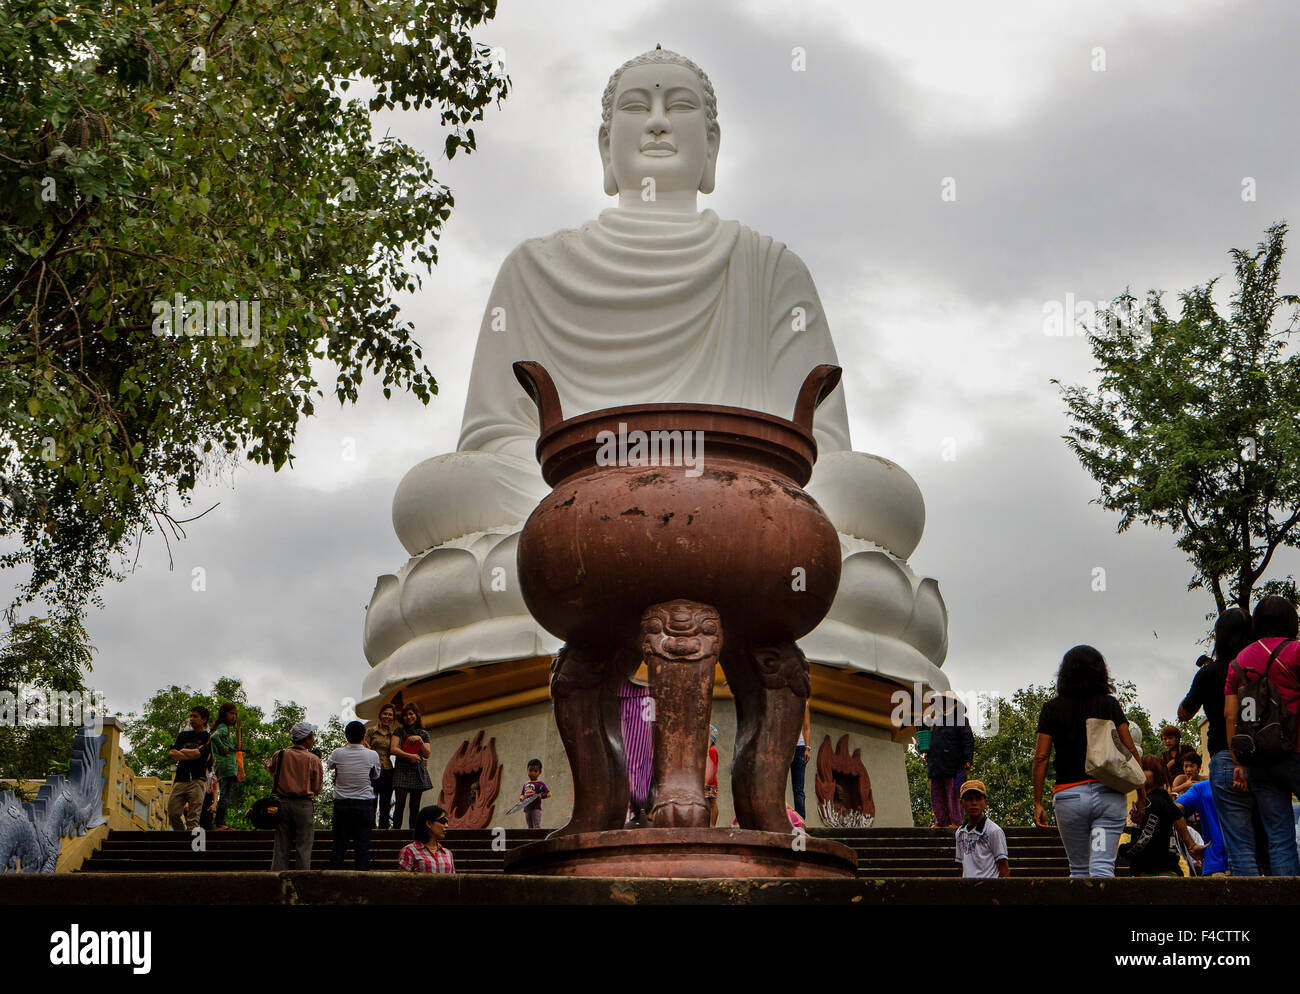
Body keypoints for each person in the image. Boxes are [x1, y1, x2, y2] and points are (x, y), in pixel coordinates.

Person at [1033, 645, 1145, 877]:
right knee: (1102, 867)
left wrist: (1038, 802)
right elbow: (1130, 749)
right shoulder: (1109, 705)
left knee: (1079, 869)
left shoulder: (1052, 708)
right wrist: (1142, 795)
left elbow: (1041, 756)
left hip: (1070, 798)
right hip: (1108, 796)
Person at [1181, 606, 1262, 875]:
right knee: (1273, 835)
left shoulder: (1210, 672)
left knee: (1238, 841)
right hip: (1264, 756)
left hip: (1226, 757)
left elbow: (1183, 714)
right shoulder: (1258, 669)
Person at [1225, 595, 1300, 876]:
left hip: (1258, 759)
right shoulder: (1296, 651)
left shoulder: (1239, 661)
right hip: (1296, 749)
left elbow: (1231, 716)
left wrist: (1238, 762)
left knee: (1279, 839)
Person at [1120, 755, 1204, 877]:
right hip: (1169, 869)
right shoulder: (1164, 799)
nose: (1139, 773)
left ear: (1157, 774)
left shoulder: (1153, 802)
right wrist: (1191, 845)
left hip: (1154, 871)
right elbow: (1178, 817)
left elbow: (1145, 837)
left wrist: (1124, 850)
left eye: (1145, 769)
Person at [267, 721, 324, 871]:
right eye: (311, 736)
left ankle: (277, 881)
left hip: (283, 803)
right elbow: (317, 788)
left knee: (281, 846)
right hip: (304, 805)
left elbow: (270, 768)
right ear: (306, 739)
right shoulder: (313, 759)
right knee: (303, 847)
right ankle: (302, 880)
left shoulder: (280, 754)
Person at [328, 719, 382, 870]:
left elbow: (330, 765)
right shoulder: (372, 755)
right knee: (362, 846)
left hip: (342, 803)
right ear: (364, 736)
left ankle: (334, 877)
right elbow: (376, 775)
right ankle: (363, 879)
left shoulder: (338, 753)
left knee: (339, 845)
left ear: (346, 736)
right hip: (364, 803)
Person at [926, 693, 974, 829]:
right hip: (936, 765)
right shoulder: (935, 722)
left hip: (954, 765)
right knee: (936, 795)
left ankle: (956, 821)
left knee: (954, 794)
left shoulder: (961, 720)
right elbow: (932, 742)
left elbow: (968, 740)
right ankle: (941, 821)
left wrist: (968, 759)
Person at [166, 706, 211, 831]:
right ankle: (181, 837)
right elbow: (172, 753)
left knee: (193, 818)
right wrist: (192, 754)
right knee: (173, 812)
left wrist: (183, 752)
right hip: (181, 778)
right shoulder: (183, 735)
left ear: (204, 719)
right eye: (191, 716)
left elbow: (201, 755)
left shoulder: (207, 737)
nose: (191, 719)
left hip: (198, 779)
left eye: (195, 716)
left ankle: (192, 846)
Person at [954, 780, 1009, 879]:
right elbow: (960, 865)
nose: (974, 803)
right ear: (961, 803)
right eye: (969, 799)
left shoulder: (994, 831)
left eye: (978, 799)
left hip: (989, 887)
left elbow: (1003, 865)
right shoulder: (960, 833)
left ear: (985, 802)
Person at [389, 703, 432, 830]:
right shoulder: (399, 731)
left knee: (415, 805)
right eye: (406, 715)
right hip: (402, 769)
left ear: (416, 715)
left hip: (417, 770)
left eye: (411, 714)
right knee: (400, 803)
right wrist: (409, 756)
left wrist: (419, 740)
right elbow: (393, 749)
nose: (409, 717)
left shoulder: (423, 733)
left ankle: (413, 834)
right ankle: (396, 832)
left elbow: (427, 753)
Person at [1175, 777, 1228, 876]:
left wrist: (1191, 846)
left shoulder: (1203, 788)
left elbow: (1175, 809)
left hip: (1215, 864)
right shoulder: (1249, 784)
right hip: (1250, 862)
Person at [398, 804, 455, 874]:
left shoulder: (448, 853)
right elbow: (403, 881)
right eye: (442, 821)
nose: (446, 826)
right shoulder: (409, 851)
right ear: (429, 823)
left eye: (447, 822)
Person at [366, 703, 397, 829]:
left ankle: (384, 830)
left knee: (385, 804)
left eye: (390, 714)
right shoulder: (371, 731)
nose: (387, 717)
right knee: (371, 802)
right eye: (385, 713)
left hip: (388, 770)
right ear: (380, 715)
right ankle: (370, 830)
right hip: (372, 770)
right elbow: (364, 747)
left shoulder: (393, 735)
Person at [209, 702, 240, 830]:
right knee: (225, 795)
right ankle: (220, 823)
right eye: (232, 713)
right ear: (224, 714)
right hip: (226, 765)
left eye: (235, 714)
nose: (234, 716)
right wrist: (223, 749)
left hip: (223, 765)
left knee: (225, 794)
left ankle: (220, 822)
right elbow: (214, 737)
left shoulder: (223, 728)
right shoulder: (223, 728)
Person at [790, 700, 811, 820]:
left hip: (799, 747)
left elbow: (806, 728)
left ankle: (800, 820)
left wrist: (807, 748)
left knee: (798, 789)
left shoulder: (803, 703)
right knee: (779, 786)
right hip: (784, 747)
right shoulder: (782, 698)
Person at [519, 759, 551, 829]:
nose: (532, 773)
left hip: (536, 808)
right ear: (527, 770)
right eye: (530, 770)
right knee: (529, 826)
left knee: (536, 825)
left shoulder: (540, 783)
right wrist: (521, 798)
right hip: (527, 808)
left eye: (535, 771)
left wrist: (541, 796)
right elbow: (522, 794)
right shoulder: (526, 784)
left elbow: (548, 794)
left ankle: (538, 837)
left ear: (540, 772)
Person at [706, 724, 720, 827]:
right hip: (707, 779)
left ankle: (712, 824)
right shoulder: (707, 750)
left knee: (712, 803)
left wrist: (708, 781)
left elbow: (713, 767)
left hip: (710, 781)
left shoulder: (712, 750)